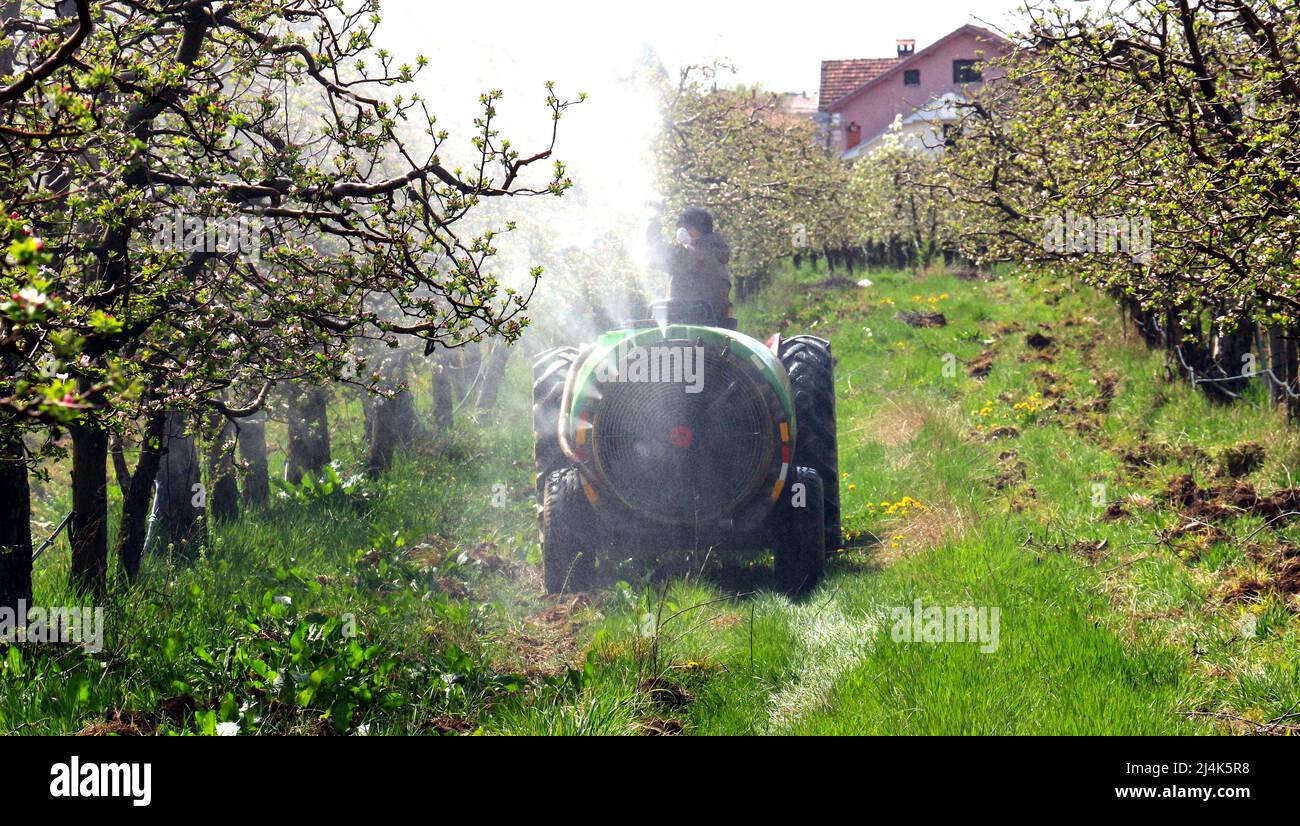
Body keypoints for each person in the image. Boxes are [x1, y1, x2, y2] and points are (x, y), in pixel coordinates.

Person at [646, 206, 732, 322]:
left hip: (691, 329)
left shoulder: (694, 255)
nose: (680, 231)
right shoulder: (715, 252)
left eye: (684, 227)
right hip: (713, 326)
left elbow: (655, 255)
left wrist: (653, 220)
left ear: (695, 229)